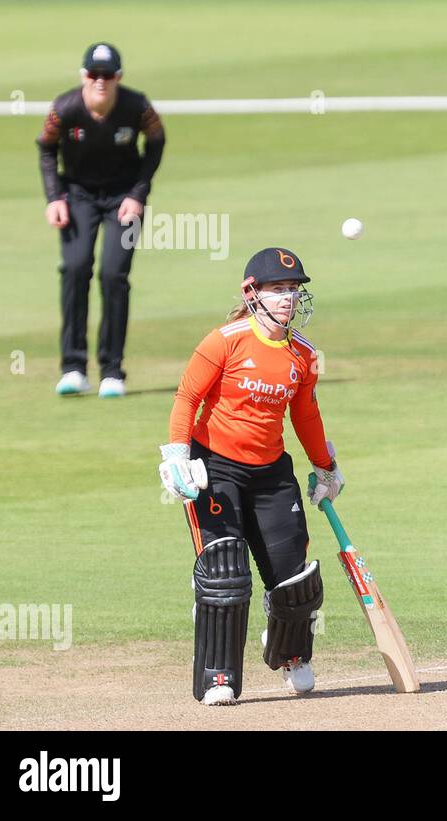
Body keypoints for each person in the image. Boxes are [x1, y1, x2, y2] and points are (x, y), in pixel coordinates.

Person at [158, 247, 345, 705]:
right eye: (278, 290)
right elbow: (187, 397)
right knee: (225, 574)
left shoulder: (302, 354)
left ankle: (292, 655)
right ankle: (218, 676)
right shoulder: (224, 340)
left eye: (293, 290)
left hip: (271, 474)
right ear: (252, 292)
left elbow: (305, 413)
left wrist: (326, 467)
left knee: (293, 579)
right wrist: (178, 455)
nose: (287, 299)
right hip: (216, 467)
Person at [39, 42, 166, 398]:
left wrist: (138, 194)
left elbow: (156, 142)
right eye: (94, 74)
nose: (100, 81)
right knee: (76, 269)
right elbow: (46, 148)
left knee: (113, 275)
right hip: (77, 195)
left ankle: (112, 372)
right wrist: (54, 198)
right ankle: (73, 368)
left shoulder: (137, 106)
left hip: (123, 197)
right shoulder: (64, 108)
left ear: (118, 77)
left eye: (107, 75)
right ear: (84, 76)